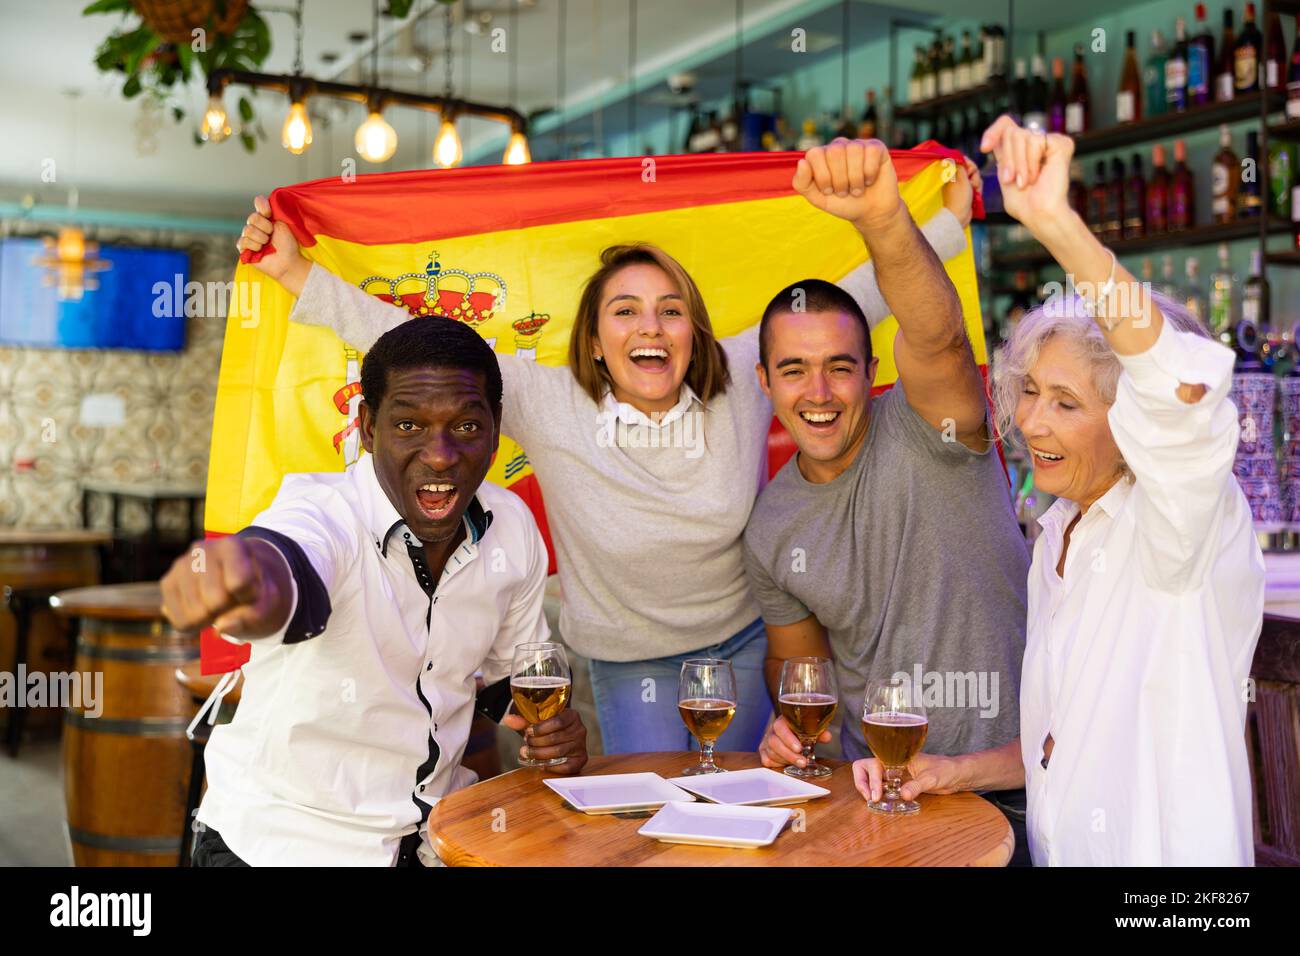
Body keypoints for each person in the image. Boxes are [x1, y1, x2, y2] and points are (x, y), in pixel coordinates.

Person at [231, 154, 980, 755]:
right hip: (629, 666)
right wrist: (293, 271)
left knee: (754, 818)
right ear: (595, 339)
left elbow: (858, 301)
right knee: (656, 827)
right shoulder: (549, 400)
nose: (649, 326)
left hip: (749, 643)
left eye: (670, 310)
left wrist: (943, 222)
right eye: (625, 311)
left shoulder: (742, 372)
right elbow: (413, 339)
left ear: (695, 332)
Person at [161, 317, 589, 866]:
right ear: (367, 427)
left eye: (464, 426)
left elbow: (514, 680)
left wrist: (551, 728)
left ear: (496, 425)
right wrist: (244, 577)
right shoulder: (323, 513)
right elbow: (286, 568)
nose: (439, 455)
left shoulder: (511, 523)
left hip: (436, 838)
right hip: (284, 846)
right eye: (408, 425)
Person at [980, 115, 1263, 865]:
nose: (1033, 419)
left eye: (1066, 402)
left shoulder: (1181, 523)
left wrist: (1057, 226)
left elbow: (1178, 392)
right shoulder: (1060, 532)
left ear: (1132, 417)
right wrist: (946, 770)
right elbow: (1059, 741)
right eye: (1031, 390)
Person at [742, 139, 1031, 859]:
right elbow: (800, 673)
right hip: (879, 802)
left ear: (873, 371)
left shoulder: (932, 429)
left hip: (1019, 784)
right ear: (764, 382)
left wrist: (882, 219)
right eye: (794, 370)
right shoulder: (771, 526)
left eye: (840, 368)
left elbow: (938, 336)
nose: (817, 393)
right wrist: (788, 727)